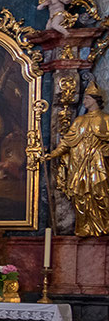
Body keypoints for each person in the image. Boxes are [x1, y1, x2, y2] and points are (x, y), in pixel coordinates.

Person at [46, 85, 109, 236]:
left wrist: (103, 151)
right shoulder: (79, 121)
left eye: (87, 98)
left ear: (95, 100)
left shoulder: (106, 119)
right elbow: (67, 142)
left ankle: (104, 226)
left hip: (98, 164)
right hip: (80, 165)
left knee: (100, 194)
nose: (84, 101)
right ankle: (84, 227)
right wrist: (53, 154)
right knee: (80, 196)